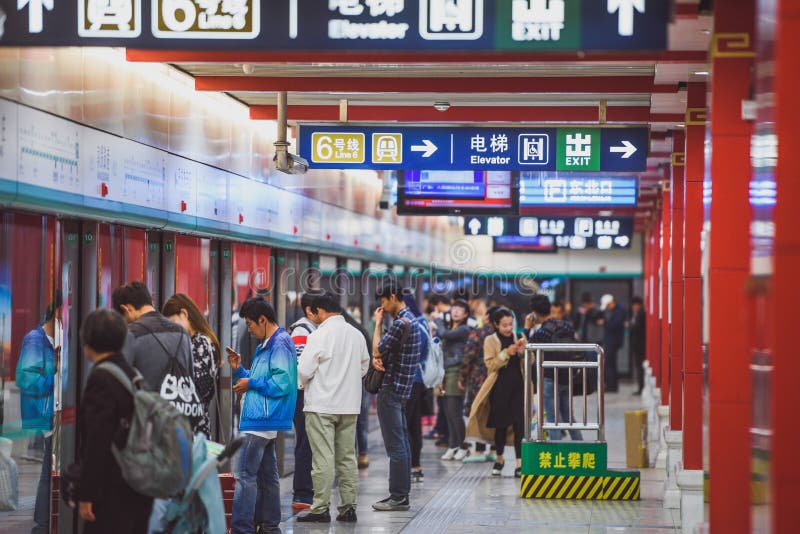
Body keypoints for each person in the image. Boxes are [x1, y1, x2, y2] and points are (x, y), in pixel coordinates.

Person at [75, 309, 153, 534]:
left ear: (88, 341)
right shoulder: (132, 374)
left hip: (112, 491)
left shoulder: (101, 378)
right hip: (138, 485)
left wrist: (87, 493)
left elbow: (97, 441)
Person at [296, 294, 370, 524]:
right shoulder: (356, 335)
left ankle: (320, 508)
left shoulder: (319, 335)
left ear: (319, 311)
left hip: (321, 405)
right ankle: (348, 508)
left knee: (323, 458)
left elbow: (304, 370)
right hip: (349, 406)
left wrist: (305, 383)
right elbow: (364, 366)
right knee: (347, 457)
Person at [226, 297, 297, 534]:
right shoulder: (266, 344)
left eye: (250, 324)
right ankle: (268, 525)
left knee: (245, 475)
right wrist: (240, 371)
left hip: (261, 421)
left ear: (263, 320)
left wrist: (251, 382)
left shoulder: (279, 344)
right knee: (268, 476)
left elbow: (282, 382)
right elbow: (260, 381)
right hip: (261, 419)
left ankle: (241, 528)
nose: (249, 329)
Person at [371, 281, 421, 512]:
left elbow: (377, 349)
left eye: (383, 301)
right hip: (403, 391)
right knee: (402, 442)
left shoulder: (400, 324)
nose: (383, 306)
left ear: (392, 296)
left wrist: (377, 324)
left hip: (390, 390)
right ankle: (401, 494)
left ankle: (399, 496)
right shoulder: (415, 321)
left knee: (396, 446)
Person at [16, 295, 64, 534]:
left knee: (49, 470)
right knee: (48, 470)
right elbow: (27, 380)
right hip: (44, 414)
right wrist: (53, 371)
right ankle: (42, 523)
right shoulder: (35, 340)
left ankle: (42, 521)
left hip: (52, 415)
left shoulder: (54, 341)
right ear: (56, 312)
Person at [465, 308, 527, 478]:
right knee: (500, 425)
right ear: (496, 324)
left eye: (511, 324)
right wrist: (506, 353)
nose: (508, 328)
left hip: (518, 387)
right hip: (499, 387)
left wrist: (524, 353)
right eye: (504, 325)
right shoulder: (490, 340)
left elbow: (530, 363)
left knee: (518, 424)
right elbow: (490, 365)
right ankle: (499, 459)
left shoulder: (519, 338)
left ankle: (519, 463)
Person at [162, 294, 220, 438]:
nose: (173, 329)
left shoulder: (201, 343)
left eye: (174, 322)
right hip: (192, 425)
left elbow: (201, 387)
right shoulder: (189, 342)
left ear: (184, 314)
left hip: (196, 427)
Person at [529, 294, 583, 441]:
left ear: (535, 313)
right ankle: (580, 446)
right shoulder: (566, 325)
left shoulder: (541, 333)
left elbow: (527, 348)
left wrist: (528, 328)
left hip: (550, 378)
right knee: (568, 417)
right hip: (567, 376)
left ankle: (555, 453)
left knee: (553, 420)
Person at [287, 293, 319, 512]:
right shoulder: (302, 330)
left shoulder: (313, 329)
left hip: (309, 394)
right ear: (309, 310)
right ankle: (302, 493)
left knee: (310, 443)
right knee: (305, 443)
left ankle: (308, 491)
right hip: (302, 395)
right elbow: (300, 366)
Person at [458, 305, 500, 463]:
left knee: (479, 414)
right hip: (497, 379)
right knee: (494, 414)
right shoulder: (501, 334)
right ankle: (495, 450)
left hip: (478, 380)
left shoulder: (478, 333)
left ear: (488, 317)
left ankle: (480, 450)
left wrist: (462, 377)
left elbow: (468, 357)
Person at [435, 299, 472, 461]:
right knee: (449, 412)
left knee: (454, 412)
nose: (456, 311)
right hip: (446, 372)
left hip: (456, 372)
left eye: (460, 309)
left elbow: (444, 335)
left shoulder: (464, 329)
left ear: (465, 314)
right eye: (454, 308)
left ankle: (463, 446)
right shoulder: (451, 327)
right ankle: (453, 445)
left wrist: (437, 320)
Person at [402, 294, 430, 483]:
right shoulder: (423, 323)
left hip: (411, 380)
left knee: (408, 425)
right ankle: (415, 466)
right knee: (414, 426)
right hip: (419, 380)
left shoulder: (412, 325)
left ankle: (412, 465)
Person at [600, 294, 626, 393]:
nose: (607, 308)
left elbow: (614, 325)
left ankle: (611, 385)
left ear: (610, 303)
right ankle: (611, 384)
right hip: (612, 341)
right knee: (611, 363)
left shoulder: (619, 311)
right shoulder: (617, 311)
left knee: (610, 364)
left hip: (613, 341)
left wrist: (605, 323)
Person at [628, 297, 647, 395]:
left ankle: (641, 387)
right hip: (636, 345)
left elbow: (637, 327)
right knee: (638, 366)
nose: (634, 307)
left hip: (640, 345)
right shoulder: (635, 315)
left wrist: (630, 325)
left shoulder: (641, 315)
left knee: (640, 367)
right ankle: (640, 387)